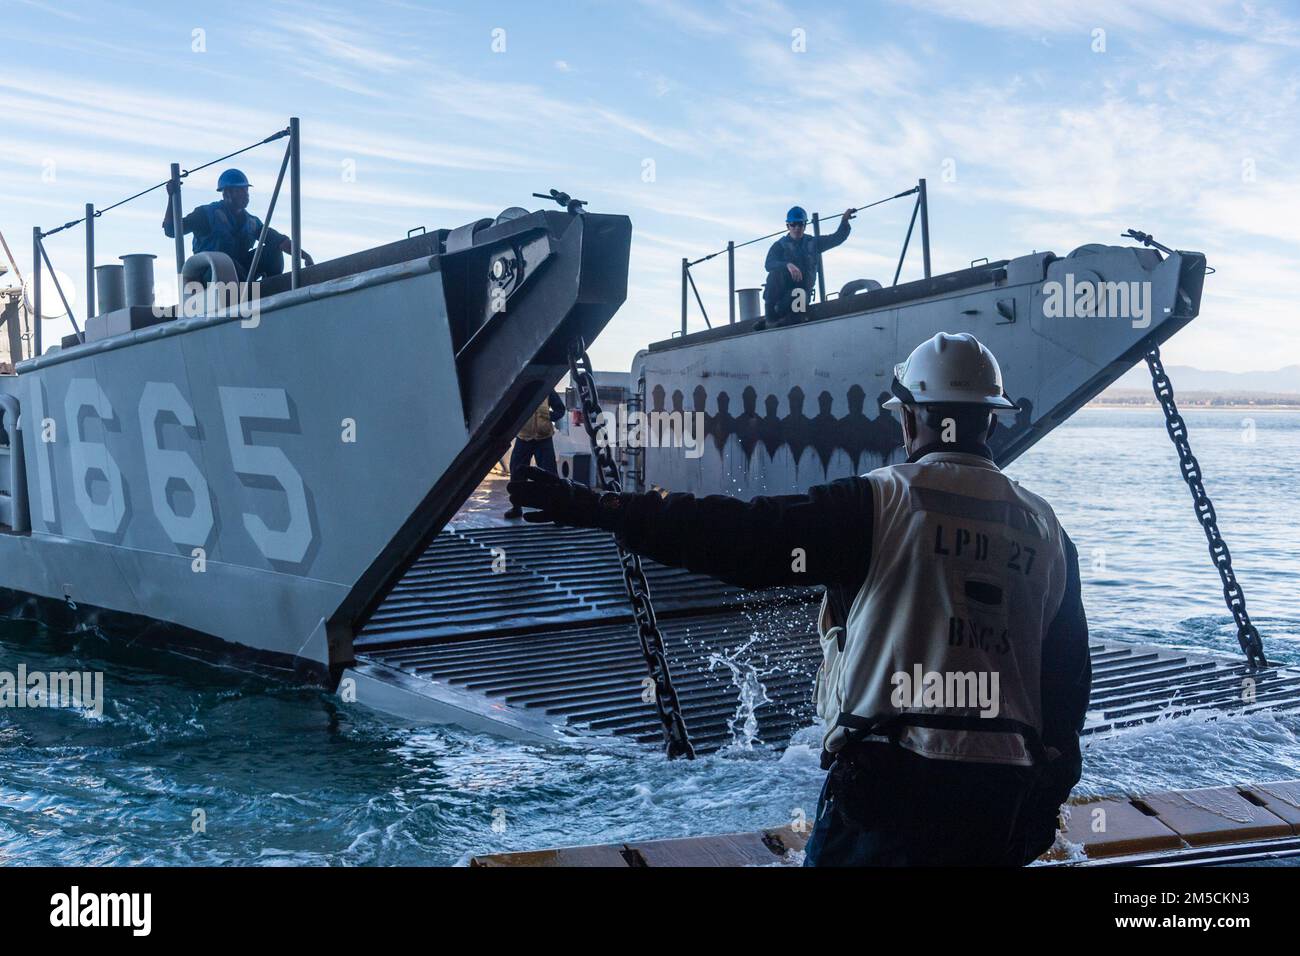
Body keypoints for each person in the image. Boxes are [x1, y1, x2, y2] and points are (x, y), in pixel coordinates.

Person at [506, 332, 1090, 866]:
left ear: (910, 419)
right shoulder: (1046, 530)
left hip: (889, 793)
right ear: (989, 421)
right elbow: (1067, 690)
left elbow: (743, 538)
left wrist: (598, 509)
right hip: (999, 801)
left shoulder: (880, 503)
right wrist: (1039, 805)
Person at [163, 168, 314, 282]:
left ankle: (272, 288)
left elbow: (281, 241)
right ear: (226, 193)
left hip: (240, 275)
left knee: (273, 249)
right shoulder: (205, 215)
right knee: (227, 264)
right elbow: (171, 230)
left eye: (246, 189)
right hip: (211, 275)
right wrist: (171, 197)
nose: (245, 194)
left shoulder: (251, 222)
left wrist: (305, 256)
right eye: (240, 190)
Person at [757, 205, 856, 329]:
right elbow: (769, 264)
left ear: (805, 225)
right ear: (788, 226)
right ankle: (770, 319)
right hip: (780, 297)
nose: (797, 228)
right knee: (774, 273)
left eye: (800, 224)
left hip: (801, 294)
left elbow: (836, 238)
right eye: (793, 224)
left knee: (796, 318)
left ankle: (781, 319)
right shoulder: (779, 246)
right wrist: (787, 265)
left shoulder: (813, 243)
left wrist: (844, 221)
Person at [503, 389, 567, 520]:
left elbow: (560, 409)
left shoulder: (548, 391)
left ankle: (553, 507)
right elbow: (509, 410)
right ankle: (516, 507)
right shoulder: (520, 392)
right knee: (517, 473)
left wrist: (550, 415)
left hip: (544, 439)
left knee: (550, 475)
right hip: (523, 438)